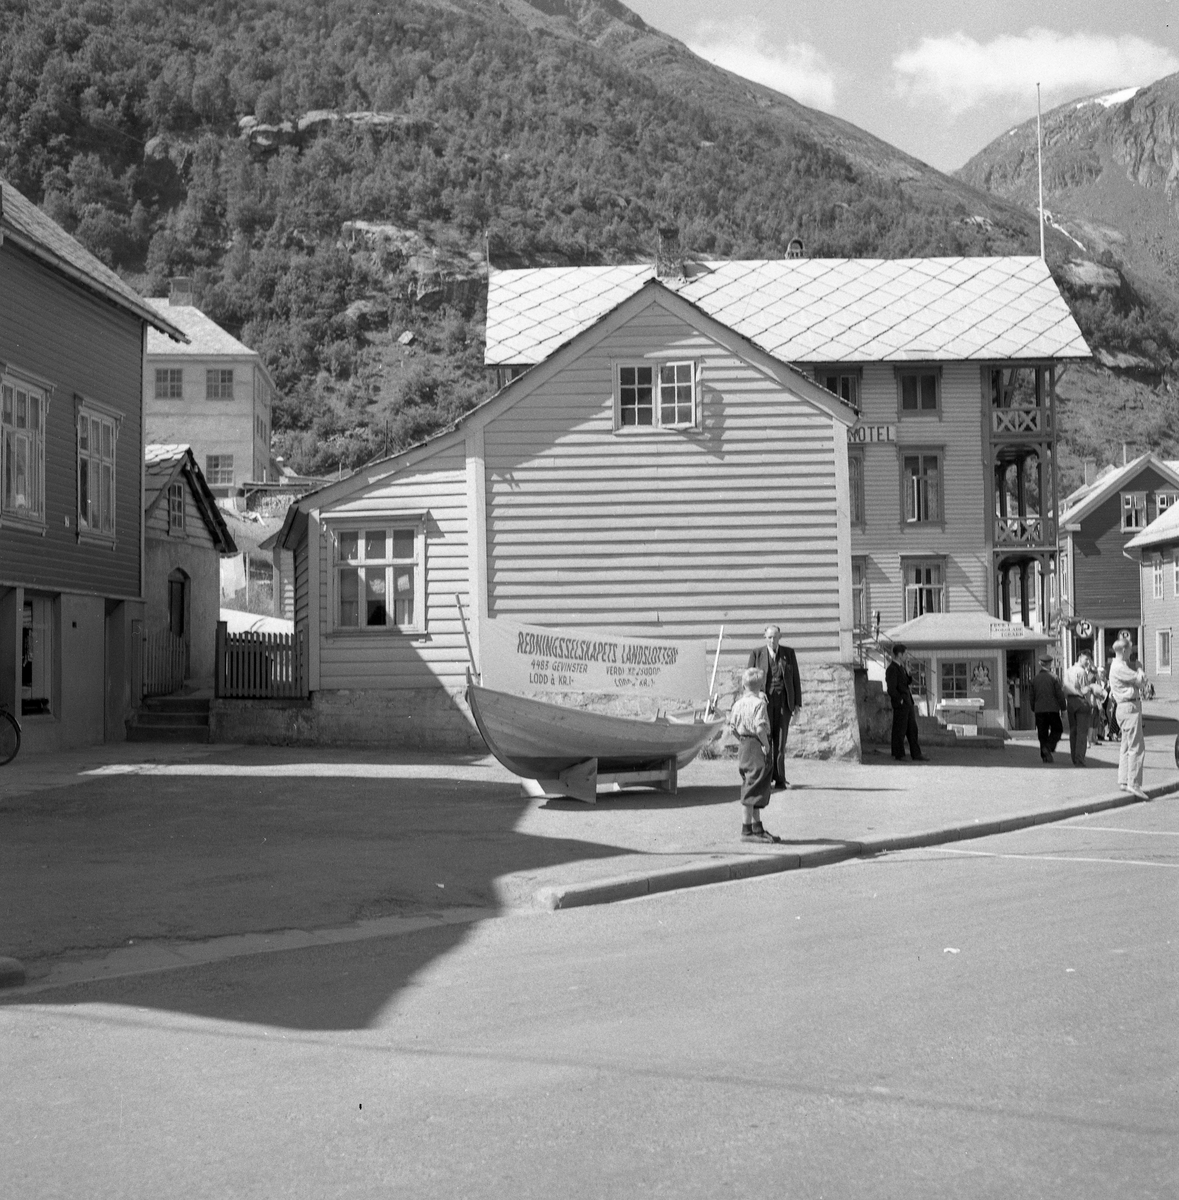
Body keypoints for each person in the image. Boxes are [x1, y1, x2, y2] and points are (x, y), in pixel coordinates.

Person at [727, 666, 779, 842]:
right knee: (753, 787)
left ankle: (757, 828)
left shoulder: (737, 704)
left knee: (752, 784)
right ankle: (746, 831)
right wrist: (766, 745)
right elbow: (760, 728)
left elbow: (732, 728)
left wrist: (742, 739)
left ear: (744, 685)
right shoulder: (759, 704)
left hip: (744, 745)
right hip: (756, 745)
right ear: (761, 685)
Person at [747, 624, 801, 789]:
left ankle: (780, 778)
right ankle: (765, 777)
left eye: (775, 637)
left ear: (780, 637)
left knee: (780, 741)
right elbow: (748, 679)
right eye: (769, 637)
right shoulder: (757, 654)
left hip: (784, 704)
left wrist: (797, 705)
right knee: (766, 740)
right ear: (765, 637)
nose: (772, 640)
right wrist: (758, 693)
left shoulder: (788, 654)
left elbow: (795, 679)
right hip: (765, 704)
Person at [1109, 636, 1148, 799]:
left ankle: (1124, 780)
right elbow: (1141, 681)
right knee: (1136, 746)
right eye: (1130, 650)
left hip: (1124, 707)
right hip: (1129, 706)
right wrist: (1140, 668)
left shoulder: (1118, 666)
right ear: (1124, 650)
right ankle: (1134, 783)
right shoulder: (1120, 667)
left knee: (1126, 745)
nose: (1131, 653)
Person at [885, 643, 926, 761]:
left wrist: (908, 673)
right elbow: (891, 689)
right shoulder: (892, 669)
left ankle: (916, 754)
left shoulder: (901, 668)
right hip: (901, 704)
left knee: (912, 729)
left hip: (908, 702)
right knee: (900, 730)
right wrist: (900, 700)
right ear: (899, 655)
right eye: (905, 654)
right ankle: (899, 754)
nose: (907, 656)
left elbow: (906, 683)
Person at [1030, 656, 1066, 762]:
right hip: (1052, 709)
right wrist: (1063, 708)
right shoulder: (1054, 678)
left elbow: (1031, 696)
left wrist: (1034, 707)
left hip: (1039, 710)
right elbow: (1060, 695)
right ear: (1050, 664)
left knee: (1042, 733)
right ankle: (1048, 747)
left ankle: (1045, 757)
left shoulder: (1035, 679)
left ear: (1040, 664)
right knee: (1057, 729)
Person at [1063, 652, 1095, 766]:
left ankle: (1074, 757)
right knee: (1082, 732)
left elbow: (1064, 688)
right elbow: (1085, 690)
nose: (1088, 662)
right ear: (1080, 657)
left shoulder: (1068, 671)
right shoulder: (1081, 672)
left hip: (1070, 702)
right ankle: (1079, 759)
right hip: (1081, 701)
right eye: (1086, 659)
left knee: (1073, 731)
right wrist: (1089, 704)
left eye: (1089, 660)